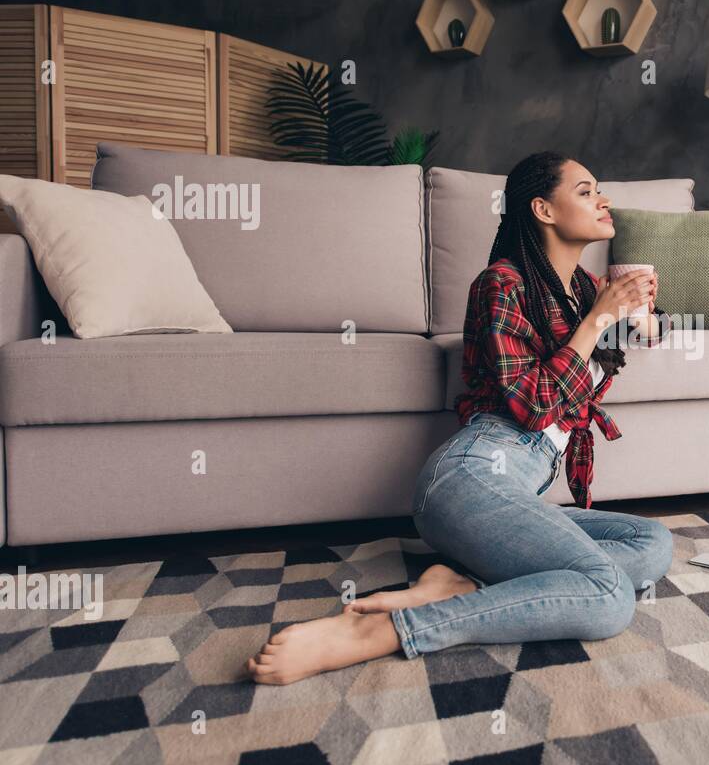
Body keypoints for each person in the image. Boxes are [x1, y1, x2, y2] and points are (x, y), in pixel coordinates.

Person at [246, 151, 676, 685]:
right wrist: (598, 319)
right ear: (543, 208)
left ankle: (458, 581)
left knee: (653, 544)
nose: (603, 200)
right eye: (586, 191)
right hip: (470, 476)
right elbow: (534, 405)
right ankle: (393, 628)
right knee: (608, 596)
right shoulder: (501, 284)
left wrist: (647, 321)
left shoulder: (586, 290)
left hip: (516, 491)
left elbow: (633, 336)